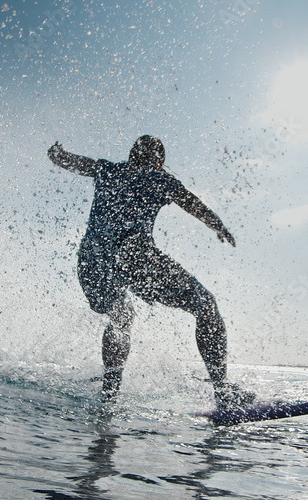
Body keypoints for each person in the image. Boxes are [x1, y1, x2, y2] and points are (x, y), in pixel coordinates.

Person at [48, 135, 254, 409]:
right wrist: (219, 227)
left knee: (120, 315)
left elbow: (70, 162)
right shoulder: (161, 180)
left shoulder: (107, 169)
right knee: (205, 305)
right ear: (160, 162)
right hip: (134, 256)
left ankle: (109, 393)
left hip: (91, 262)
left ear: (132, 154)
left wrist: (57, 153)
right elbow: (195, 206)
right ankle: (221, 390)